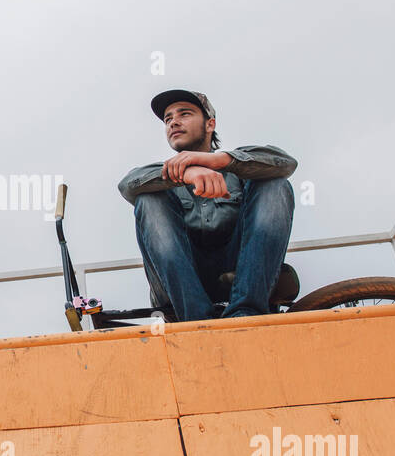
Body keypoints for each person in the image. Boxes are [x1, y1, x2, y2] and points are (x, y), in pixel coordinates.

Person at [117, 89, 297, 322]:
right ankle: (197, 322)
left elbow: (285, 163)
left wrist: (220, 160)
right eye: (168, 118)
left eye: (184, 114)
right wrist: (186, 172)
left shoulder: (238, 172)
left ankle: (246, 312)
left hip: (241, 276)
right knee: (148, 197)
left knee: (275, 184)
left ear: (210, 124)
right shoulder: (159, 176)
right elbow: (127, 185)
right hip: (181, 289)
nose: (173, 122)